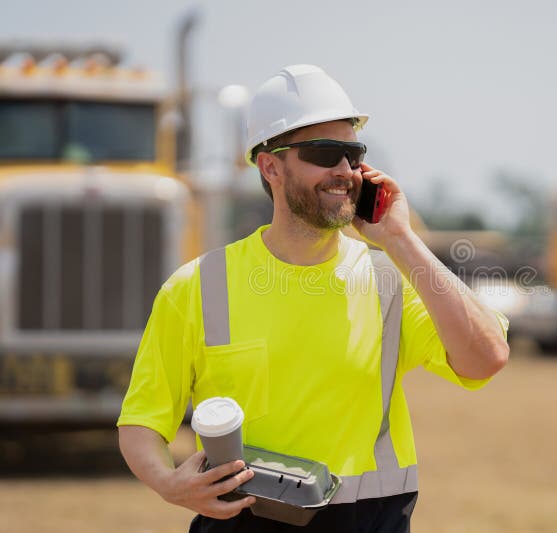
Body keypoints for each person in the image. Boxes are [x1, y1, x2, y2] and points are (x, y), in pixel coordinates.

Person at [117, 64, 509, 532]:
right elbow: (141, 422)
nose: (344, 170)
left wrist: (400, 238)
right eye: (325, 153)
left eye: (353, 153)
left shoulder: (389, 278)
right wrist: (168, 483)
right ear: (270, 166)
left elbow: (486, 358)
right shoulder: (197, 286)